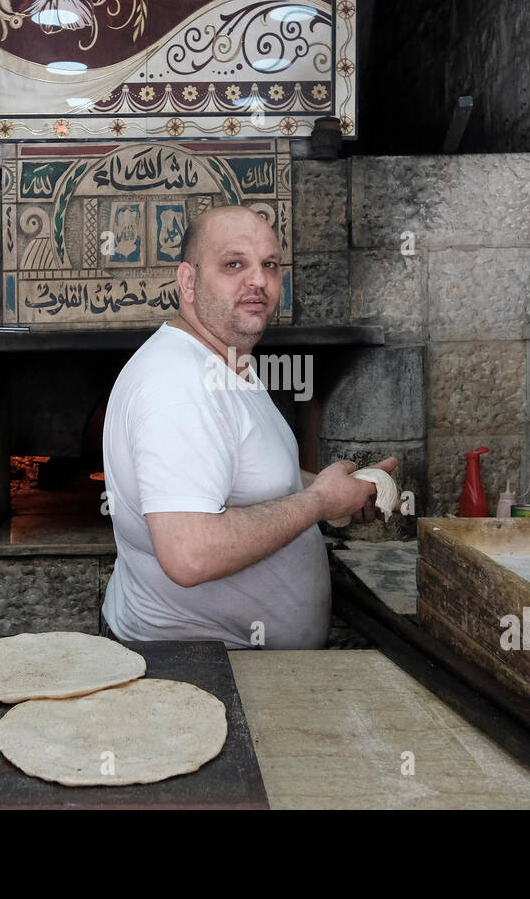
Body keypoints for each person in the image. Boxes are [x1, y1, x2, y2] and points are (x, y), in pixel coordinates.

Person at [100, 205, 397, 649]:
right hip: (195, 672)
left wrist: (338, 494)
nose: (258, 280)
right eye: (234, 264)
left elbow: (244, 474)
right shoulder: (176, 384)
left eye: (270, 265)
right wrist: (317, 502)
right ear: (188, 282)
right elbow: (190, 554)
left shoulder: (228, 363)